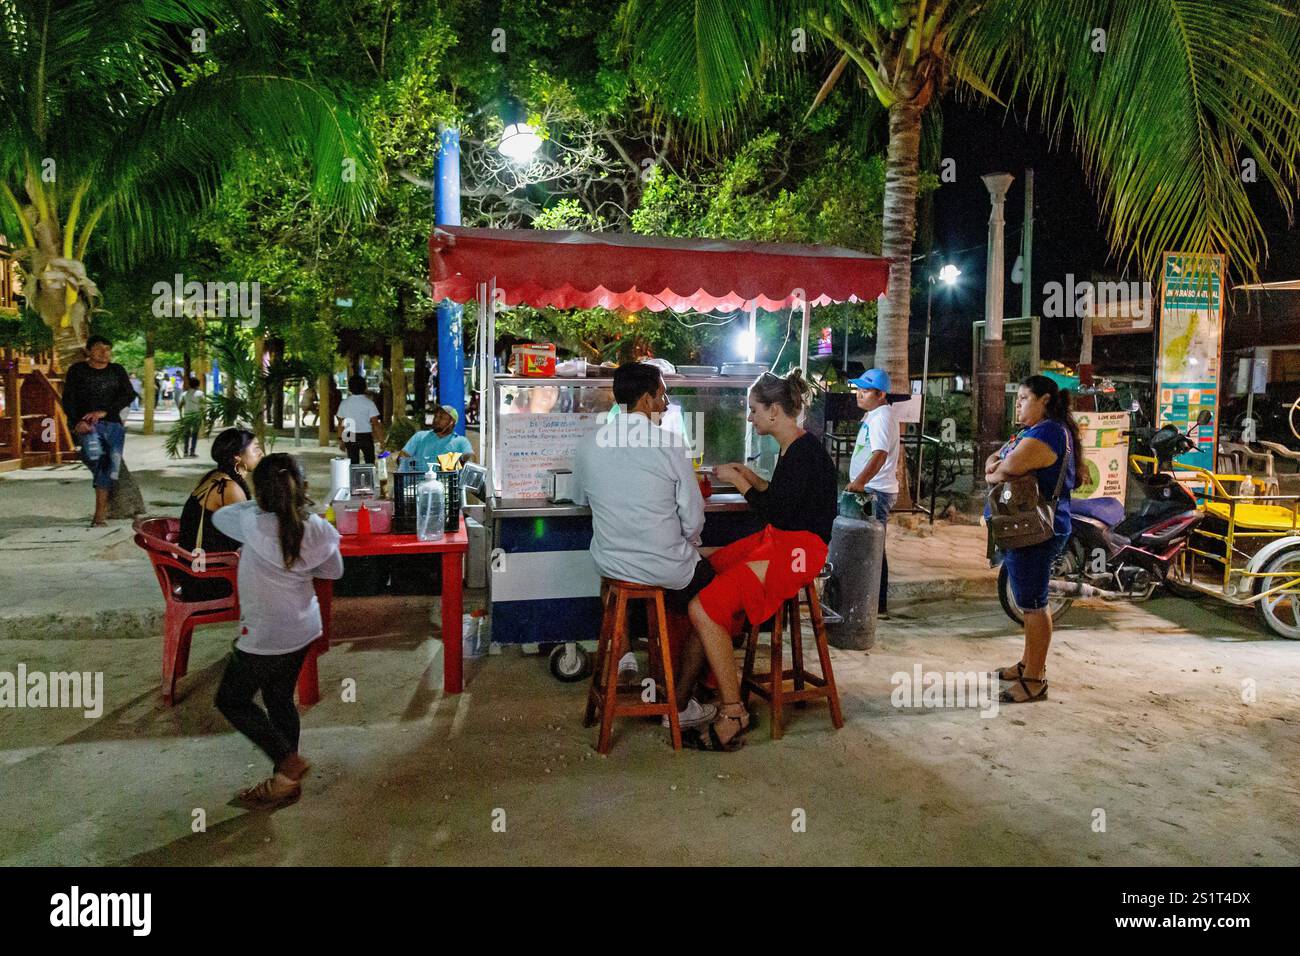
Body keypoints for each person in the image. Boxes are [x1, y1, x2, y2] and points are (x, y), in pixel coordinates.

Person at [693, 368, 838, 751]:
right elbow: (784, 497)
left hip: (797, 552)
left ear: (775, 411)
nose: (749, 417)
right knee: (708, 568)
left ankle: (732, 709)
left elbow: (779, 513)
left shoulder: (804, 453)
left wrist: (741, 482)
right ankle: (707, 678)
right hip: (784, 542)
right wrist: (751, 476)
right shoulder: (797, 447)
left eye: (754, 409)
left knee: (703, 607)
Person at [572, 363, 718, 730]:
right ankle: (680, 704)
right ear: (646, 398)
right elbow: (694, 518)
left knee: (613, 582)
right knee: (716, 600)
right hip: (667, 571)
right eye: (663, 395)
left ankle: (623, 654)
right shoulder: (670, 445)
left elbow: (579, 498)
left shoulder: (589, 444)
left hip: (612, 568)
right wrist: (686, 542)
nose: (666, 403)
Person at [212, 453, 343, 807]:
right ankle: (285, 782)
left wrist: (259, 505)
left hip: (266, 634)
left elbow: (222, 516)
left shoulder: (250, 525)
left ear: (260, 492)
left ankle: (287, 760)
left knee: (231, 699)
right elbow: (334, 572)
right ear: (303, 488)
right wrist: (305, 517)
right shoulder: (317, 529)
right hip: (302, 628)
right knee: (279, 698)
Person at [984, 375, 1080, 704]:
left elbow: (1008, 465)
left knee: (1034, 604)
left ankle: (1035, 679)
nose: (1019, 403)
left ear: (1045, 401)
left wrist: (1001, 469)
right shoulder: (1032, 431)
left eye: (1025, 398)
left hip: (1038, 530)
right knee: (1028, 604)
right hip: (1023, 528)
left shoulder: (1050, 431)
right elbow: (995, 462)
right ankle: (1028, 663)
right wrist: (1000, 469)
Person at [61, 335, 138, 526]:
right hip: (87, 426)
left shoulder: (117, 370)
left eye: (108, 349)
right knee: (94, 458)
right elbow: (68, 399)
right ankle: (100, 512)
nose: (105, 353)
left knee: (109, 467)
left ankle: (100, 515)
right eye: (99, 349)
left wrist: (105, 412)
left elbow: (128, 395)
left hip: (113, 425)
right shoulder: (77, 371)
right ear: (88, 351)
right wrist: (76, 421)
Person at [177, 428, 262, 598]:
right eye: (255, 448)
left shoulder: (216, 477)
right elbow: (248, 536)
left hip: (194, 573)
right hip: (208, 580)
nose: (261, 453)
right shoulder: (228, 488)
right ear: (237, 456)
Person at [845, 368, 900, 618]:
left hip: (875, 491)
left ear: (881, 394)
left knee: (873, 548)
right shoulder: (875, 415)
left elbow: (879, 454)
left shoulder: (881, 417)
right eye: (858, 390)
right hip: (871, 488)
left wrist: (859, 482)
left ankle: (877, 605)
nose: (859, 395)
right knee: (872, 545)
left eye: (865, 391)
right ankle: (874, 603)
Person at [397, 404, 473, 471]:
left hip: (447, 485)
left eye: (441, 417)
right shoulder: (420, 436)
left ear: (451, 422)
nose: (436, 419)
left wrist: (463, 460)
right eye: (435, 416)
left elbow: (470, 458)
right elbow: (402, 457)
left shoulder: (461, 441)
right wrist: (408, 465)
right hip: (419, 483)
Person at [335, 375, 385, 464]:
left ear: (350, 388)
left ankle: (354, 477)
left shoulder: (344, 403)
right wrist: (381, 441)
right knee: (369, 461)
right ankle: (368, 477)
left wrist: (342, 441)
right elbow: (375, 423)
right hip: (366, 435)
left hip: (350, 434)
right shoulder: (369, 403)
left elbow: (341, 424)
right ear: (365, 387)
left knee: (353, 462)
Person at [179, 375, 206, 457]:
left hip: (187, 416)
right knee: (194, 434)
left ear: (190, 384)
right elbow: (203, 406)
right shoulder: (200, 394)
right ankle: (192, 452)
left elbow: (180, 405)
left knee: (186, 434)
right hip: (196, 416)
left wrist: (181, 415)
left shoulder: (184, 394)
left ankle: (185, 452)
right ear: (197, 385)